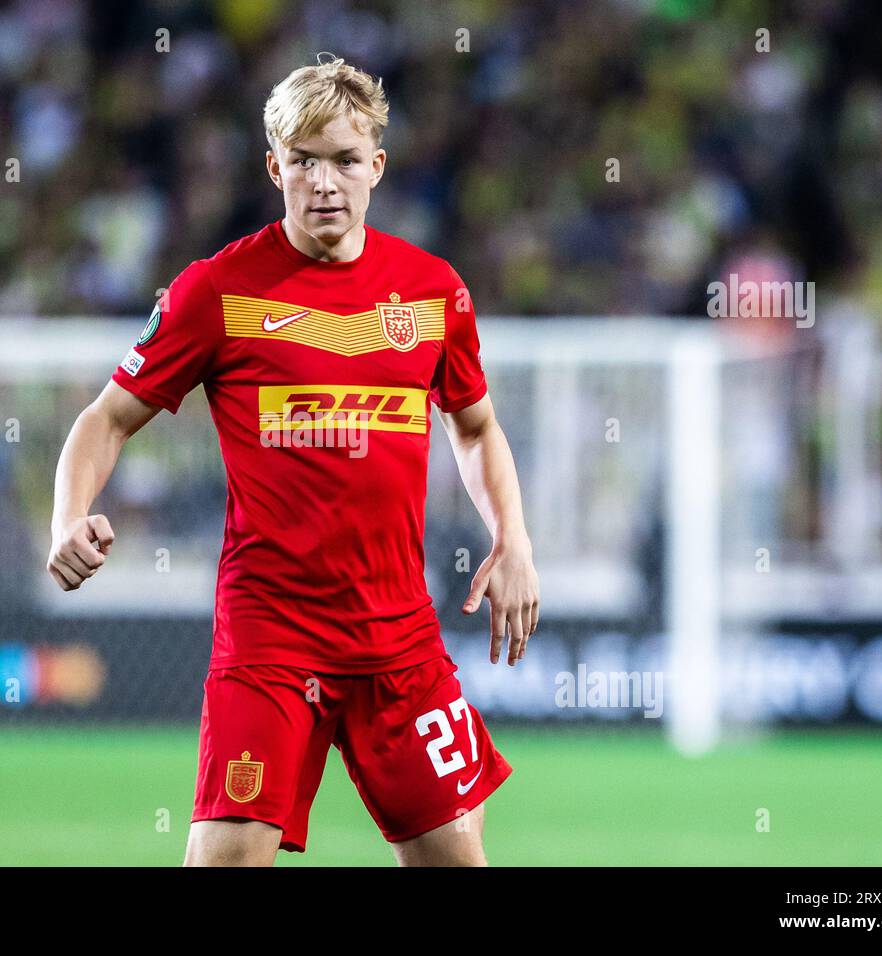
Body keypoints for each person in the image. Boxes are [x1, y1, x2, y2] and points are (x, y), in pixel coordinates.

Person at [48, 54, 540, 866]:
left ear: (376, 167)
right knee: (228, 858)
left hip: (399, 637)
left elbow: (477, 428)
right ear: (274, 165)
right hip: (271, 635)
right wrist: (67, 517)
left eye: (345, 160)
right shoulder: (218, 292)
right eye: (304, 161)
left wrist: (513, 539)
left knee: (456, 857)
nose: (325, 183)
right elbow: (104, 419)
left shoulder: (432, 293)